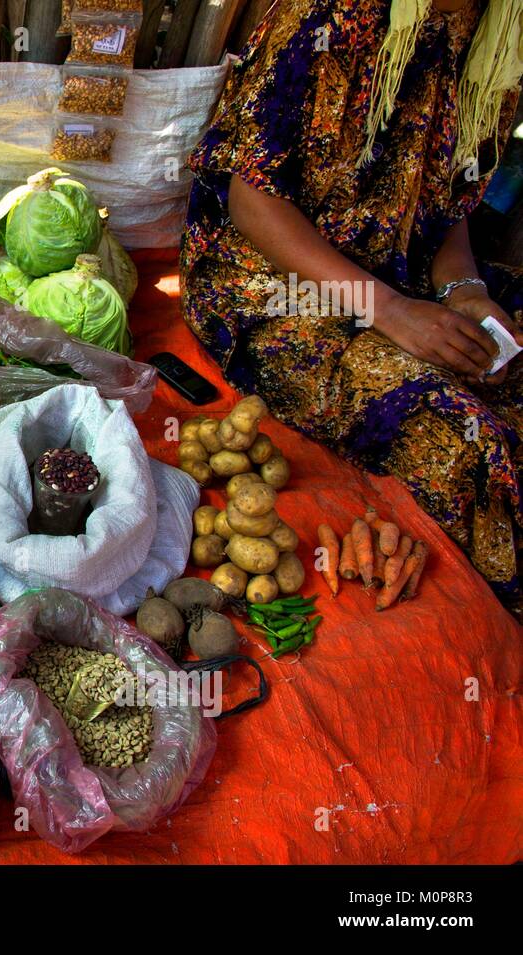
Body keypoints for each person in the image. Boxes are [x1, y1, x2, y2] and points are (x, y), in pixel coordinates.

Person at [181, 0, 523, 609]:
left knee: (502, 351)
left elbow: (447, 206)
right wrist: (389, 311)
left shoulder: (493, 39)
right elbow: (253, 203)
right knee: (463, 434)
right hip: (280, 284)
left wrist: (463, 291)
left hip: (402, 271)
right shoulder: (324, 20)